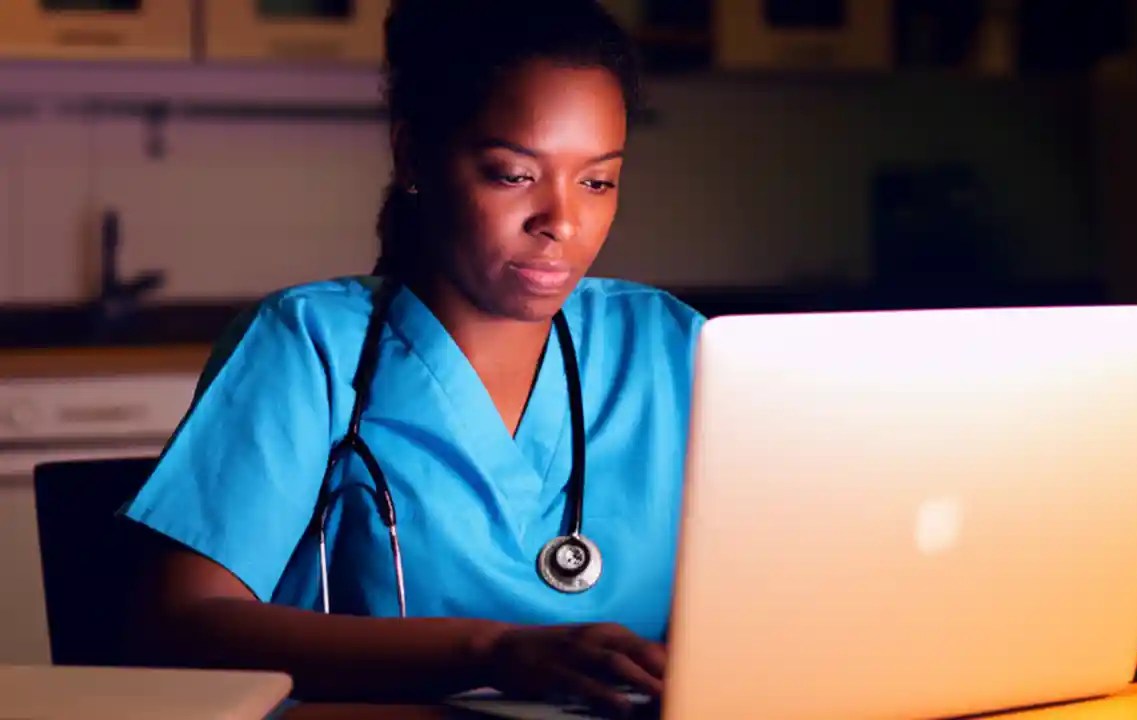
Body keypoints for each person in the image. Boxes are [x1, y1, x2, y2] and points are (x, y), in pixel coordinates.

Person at [121, 1, 703, 715]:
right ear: (414, 156)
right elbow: (188, 624)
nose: (562, 221)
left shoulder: (672, 347)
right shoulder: (308, 344)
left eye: (597, 181)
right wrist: (490, 653)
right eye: (514, 174)